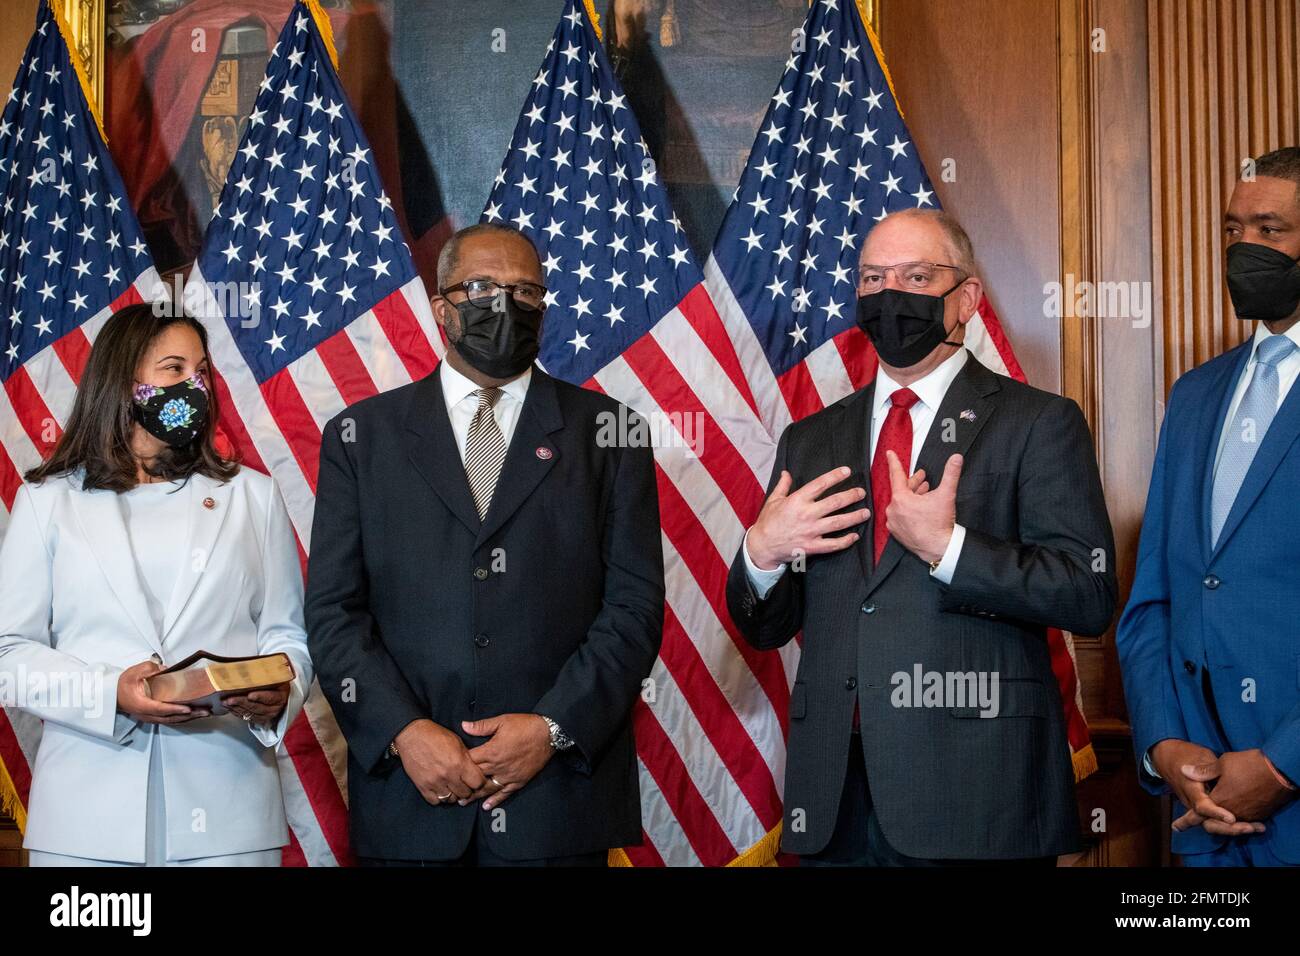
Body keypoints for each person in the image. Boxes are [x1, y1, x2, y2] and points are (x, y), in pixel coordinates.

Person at [726, 208, 1116, 865]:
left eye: (916, 275)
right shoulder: (811, 438)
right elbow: (767, 627)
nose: (890, 294)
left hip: (978, 798)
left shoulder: (1037, 422)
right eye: (872, 279)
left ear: (965, 298)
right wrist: (761, 557)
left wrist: (950, 548)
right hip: (834, 804)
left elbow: (1088, 593)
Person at [306, 222, 664, 866]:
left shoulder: (610, 433)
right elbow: (334, 614)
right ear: (442, 308)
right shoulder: (362, 436)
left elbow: (633, 610)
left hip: (556, 804)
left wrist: (552, 730)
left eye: (526, 291)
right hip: (410, 802)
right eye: (481, 286)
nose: (505, 303)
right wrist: (404, 733)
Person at [0, 302, 312, 866]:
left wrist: (278, 694)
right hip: (83, 823)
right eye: (173, 369)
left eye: (202, 373)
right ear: (123, 379)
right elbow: (9, 654)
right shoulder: (47, 503)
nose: (193, 385)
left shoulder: (253, 497)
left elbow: (288, 636)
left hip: (231, 817)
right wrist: (109, 694)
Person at [1117, 147, 1300, 866]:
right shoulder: (1195, 395)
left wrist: (1284, 764)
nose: (1244, 249)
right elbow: (1154, 596)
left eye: (1269, 229)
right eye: (1232, 230)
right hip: (1202, 818)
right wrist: (1163, 744)